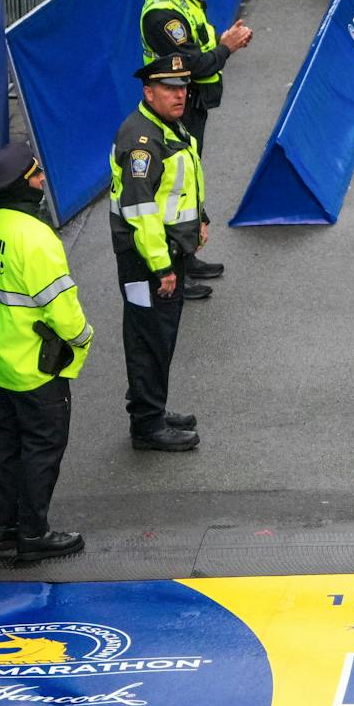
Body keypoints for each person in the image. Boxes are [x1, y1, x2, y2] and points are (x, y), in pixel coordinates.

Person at [0, 137, 89, 562]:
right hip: (38, 368)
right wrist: (82, 340)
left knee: (5, 449)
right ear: (24, 186)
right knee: (42, 449)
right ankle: (34, 534)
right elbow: (64, 312)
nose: (42, 181)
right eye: (36, 175)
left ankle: (4, 531)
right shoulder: (36, 239)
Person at [108, 52, 206, 453]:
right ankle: (147, 425)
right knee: (148, 337)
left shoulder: (167, 126)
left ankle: (152, 409)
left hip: (165, 253)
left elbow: (181, 181)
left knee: (160, 335)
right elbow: (141, 210)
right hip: (147, 259)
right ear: (149, 92)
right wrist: (162, 265)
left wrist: (202, 217)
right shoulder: (141, 142)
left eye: (182, 87)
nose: (179, 94)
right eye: (169, 88)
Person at [138, 0, 246, 282]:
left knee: (190, 179)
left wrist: (224, 38)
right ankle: (172, 268)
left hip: (191, 104)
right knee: (173, 188)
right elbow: (194, 64)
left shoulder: (183, 0)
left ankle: (187, 255)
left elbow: (201, 41)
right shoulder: (161, 13)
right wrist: (227, 49)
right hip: (172, 107)